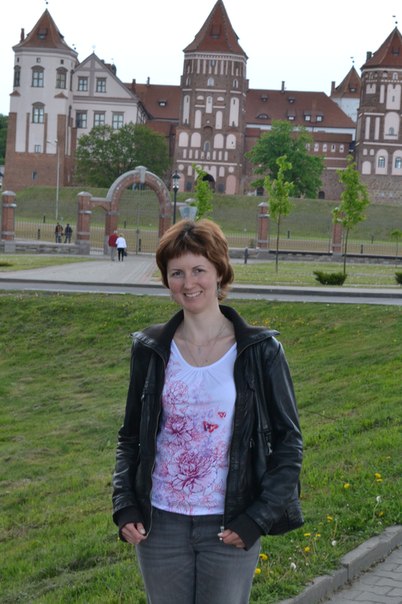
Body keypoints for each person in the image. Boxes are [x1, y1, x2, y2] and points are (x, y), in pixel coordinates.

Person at [112, 219, 303, 604]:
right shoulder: (150, 349)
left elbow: (288, 445)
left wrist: (256, 519)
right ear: (167, 280)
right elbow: (130, 437)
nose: (189, 283)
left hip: (230, 523)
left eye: (199, 269)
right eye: (177, 273)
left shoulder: (260, 351)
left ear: (219, 272)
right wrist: (125, 504)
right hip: (160, 524)